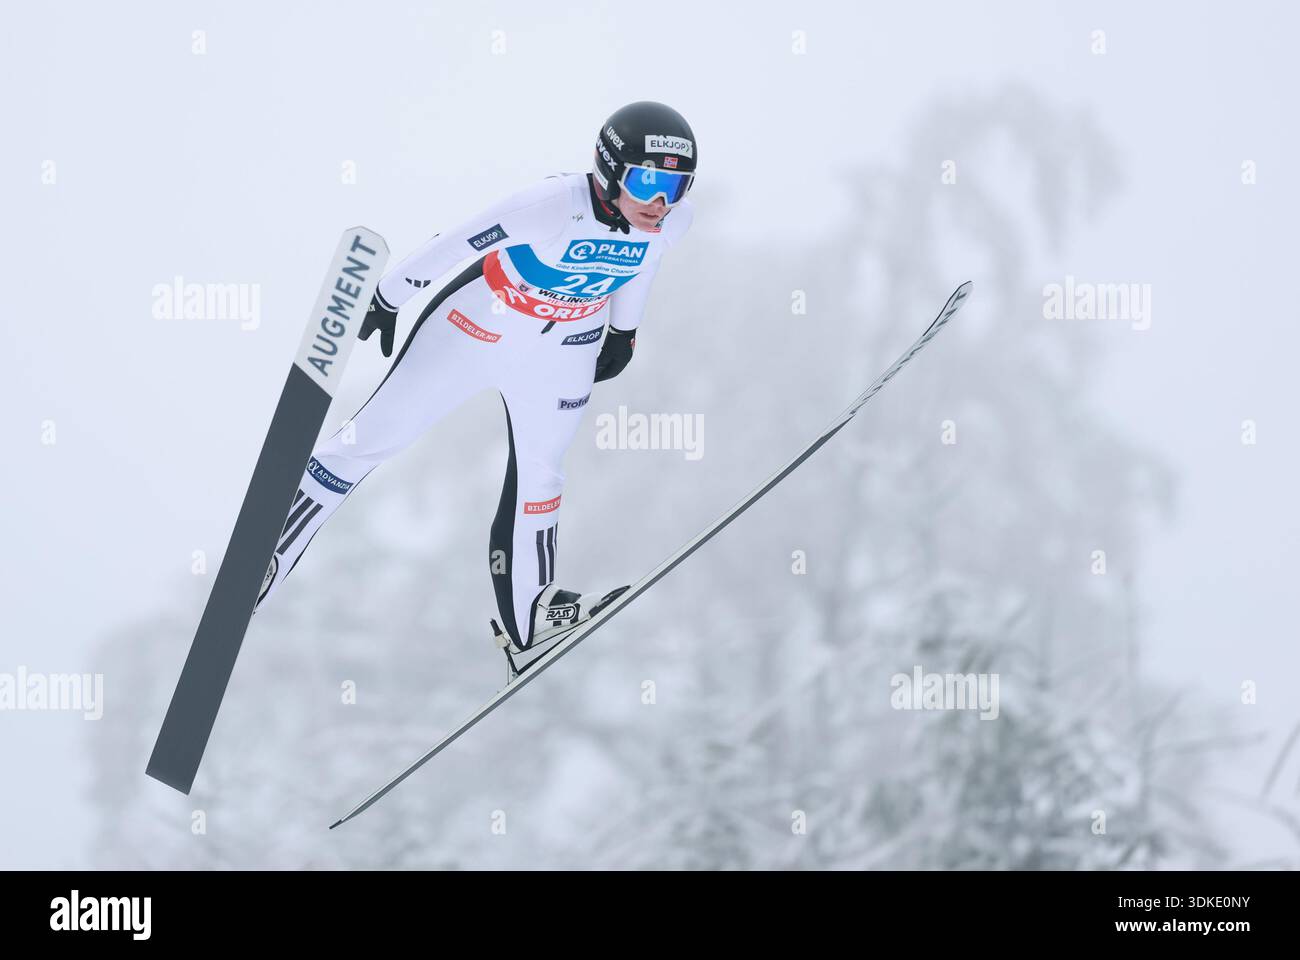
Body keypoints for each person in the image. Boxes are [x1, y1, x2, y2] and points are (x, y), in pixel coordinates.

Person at [255, 101, 697, 678]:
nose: (661, 200)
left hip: (564, 348)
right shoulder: (549, 206)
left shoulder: (669, 222)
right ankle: (268, 553)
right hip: (476, 326)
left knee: (543, 474)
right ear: (610, 170)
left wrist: (624, 331)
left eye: (677, 185)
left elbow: (644, 264)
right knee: (373, 439)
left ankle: (529, 619)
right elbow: (459, 242)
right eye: (647, 180)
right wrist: (390, 295)